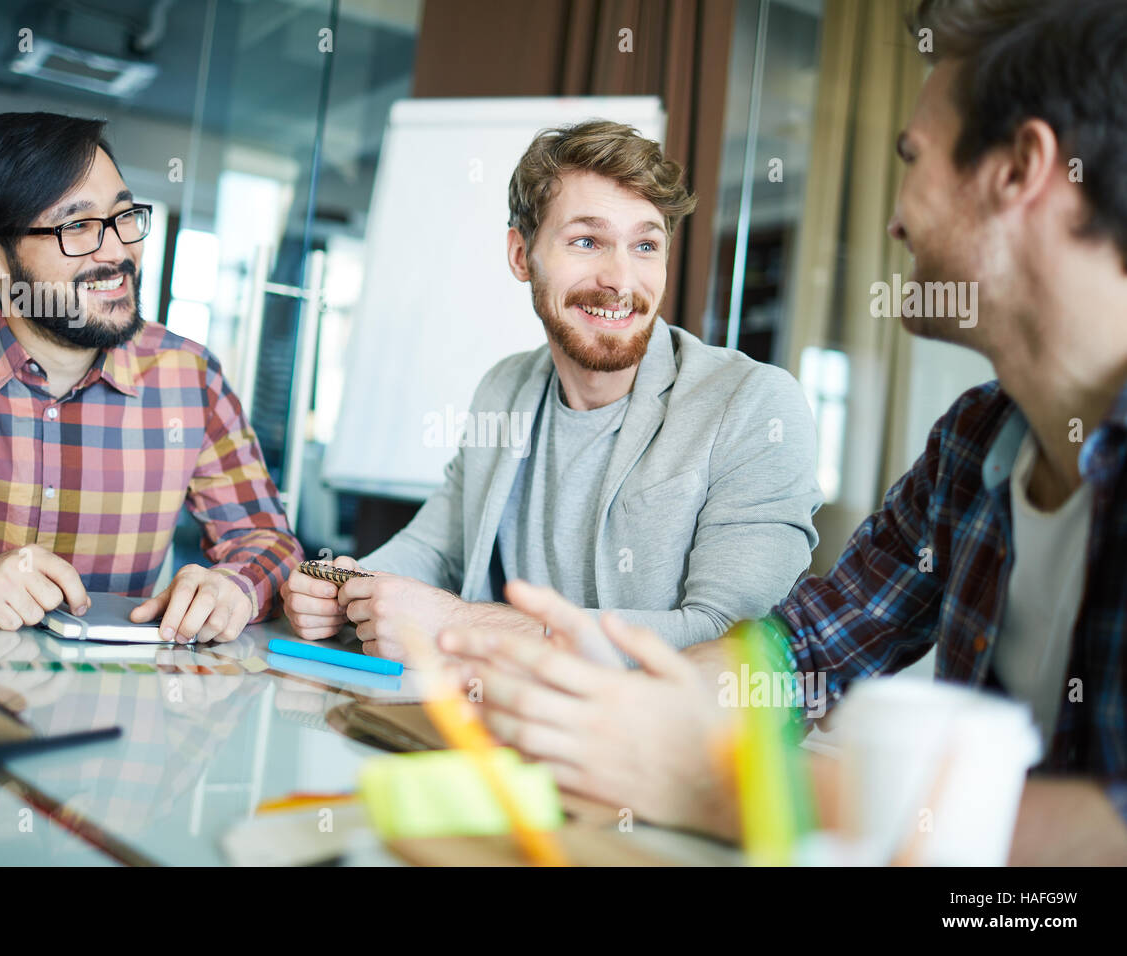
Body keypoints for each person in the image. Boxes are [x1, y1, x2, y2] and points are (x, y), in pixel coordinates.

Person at [441, 0, 1127, 864]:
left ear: (1018, 168)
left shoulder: (750, 401)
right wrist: (617, 707)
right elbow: (803, 652)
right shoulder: (973, 444)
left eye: (911, 158)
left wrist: (712, 780)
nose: (894, 218)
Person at [283, 120, 821, 659]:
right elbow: (434, 550)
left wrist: (466, 625)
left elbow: (735, 642)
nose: (621, 280)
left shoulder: (754, 404)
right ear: (521, 255)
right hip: (491, 725)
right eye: (587, 241)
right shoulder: (505, 387)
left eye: (645, 245)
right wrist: (345, 587)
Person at [0, 112, 300, 643]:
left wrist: (230, 586)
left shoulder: (188, 378)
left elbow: (266, 537)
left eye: (124, 217)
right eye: (77, 227)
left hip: (115, 708)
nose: (118, 252)